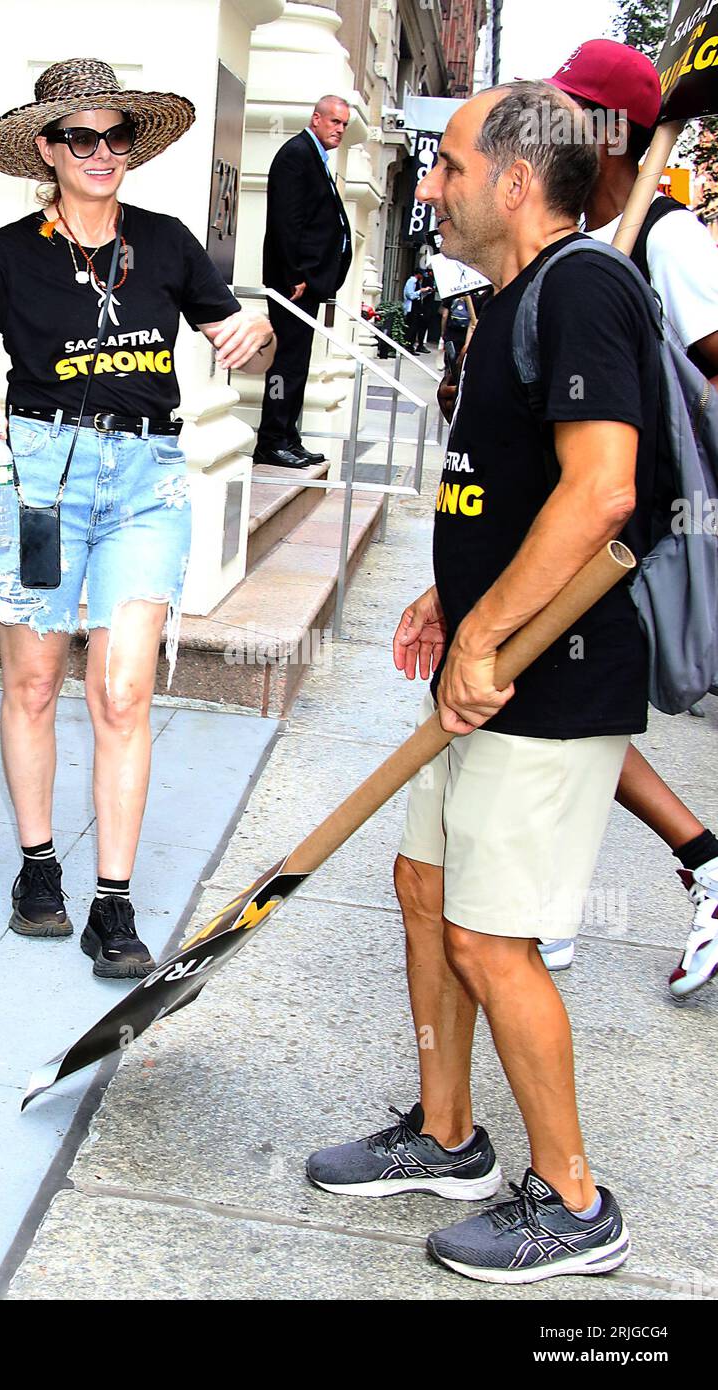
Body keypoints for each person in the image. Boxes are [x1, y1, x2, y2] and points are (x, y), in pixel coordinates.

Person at [308, 81, 657, 1284]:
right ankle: (449, 1134)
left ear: (516, 180)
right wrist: (454, 600)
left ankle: (575, 1203)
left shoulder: (587, 287)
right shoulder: (510, 299)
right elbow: (509, 486)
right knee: (425, 888)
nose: (435, 188)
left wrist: (489, 634)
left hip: (544, 681)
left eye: (450, 166)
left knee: (492, 936)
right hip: (489, 658)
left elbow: (606, 489)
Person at [0, 59, 275, 980]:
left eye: (116, 135)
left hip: (145, 478)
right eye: (80, 137)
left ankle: (112, 904)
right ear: (47, 149)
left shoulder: (165, 242)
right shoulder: (10, 249)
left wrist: (256, 336)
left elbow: (236, 329)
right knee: (34, 684)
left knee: (121, 691)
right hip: (38, 475)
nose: (101, 152)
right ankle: (39, 868)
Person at [540, 38, 718, 994]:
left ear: (609, 129)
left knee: (555, 701)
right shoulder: (589, 233)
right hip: (589, 521)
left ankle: (543, 913)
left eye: (569, 107)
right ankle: (554, 908)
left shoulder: (667, 237)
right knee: (563, 708)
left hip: (634, 527)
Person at [253, 95, 352, 469]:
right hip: (293, 284)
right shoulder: (296, 154)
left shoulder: (316, 158)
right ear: (316, 119)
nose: (339, 129)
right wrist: (294, 274)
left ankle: (287, 436)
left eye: (343, 124)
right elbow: (285, 221)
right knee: (284, 364)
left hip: (308, 285)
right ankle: (273, 439)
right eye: (334, 122)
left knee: (297, 363)